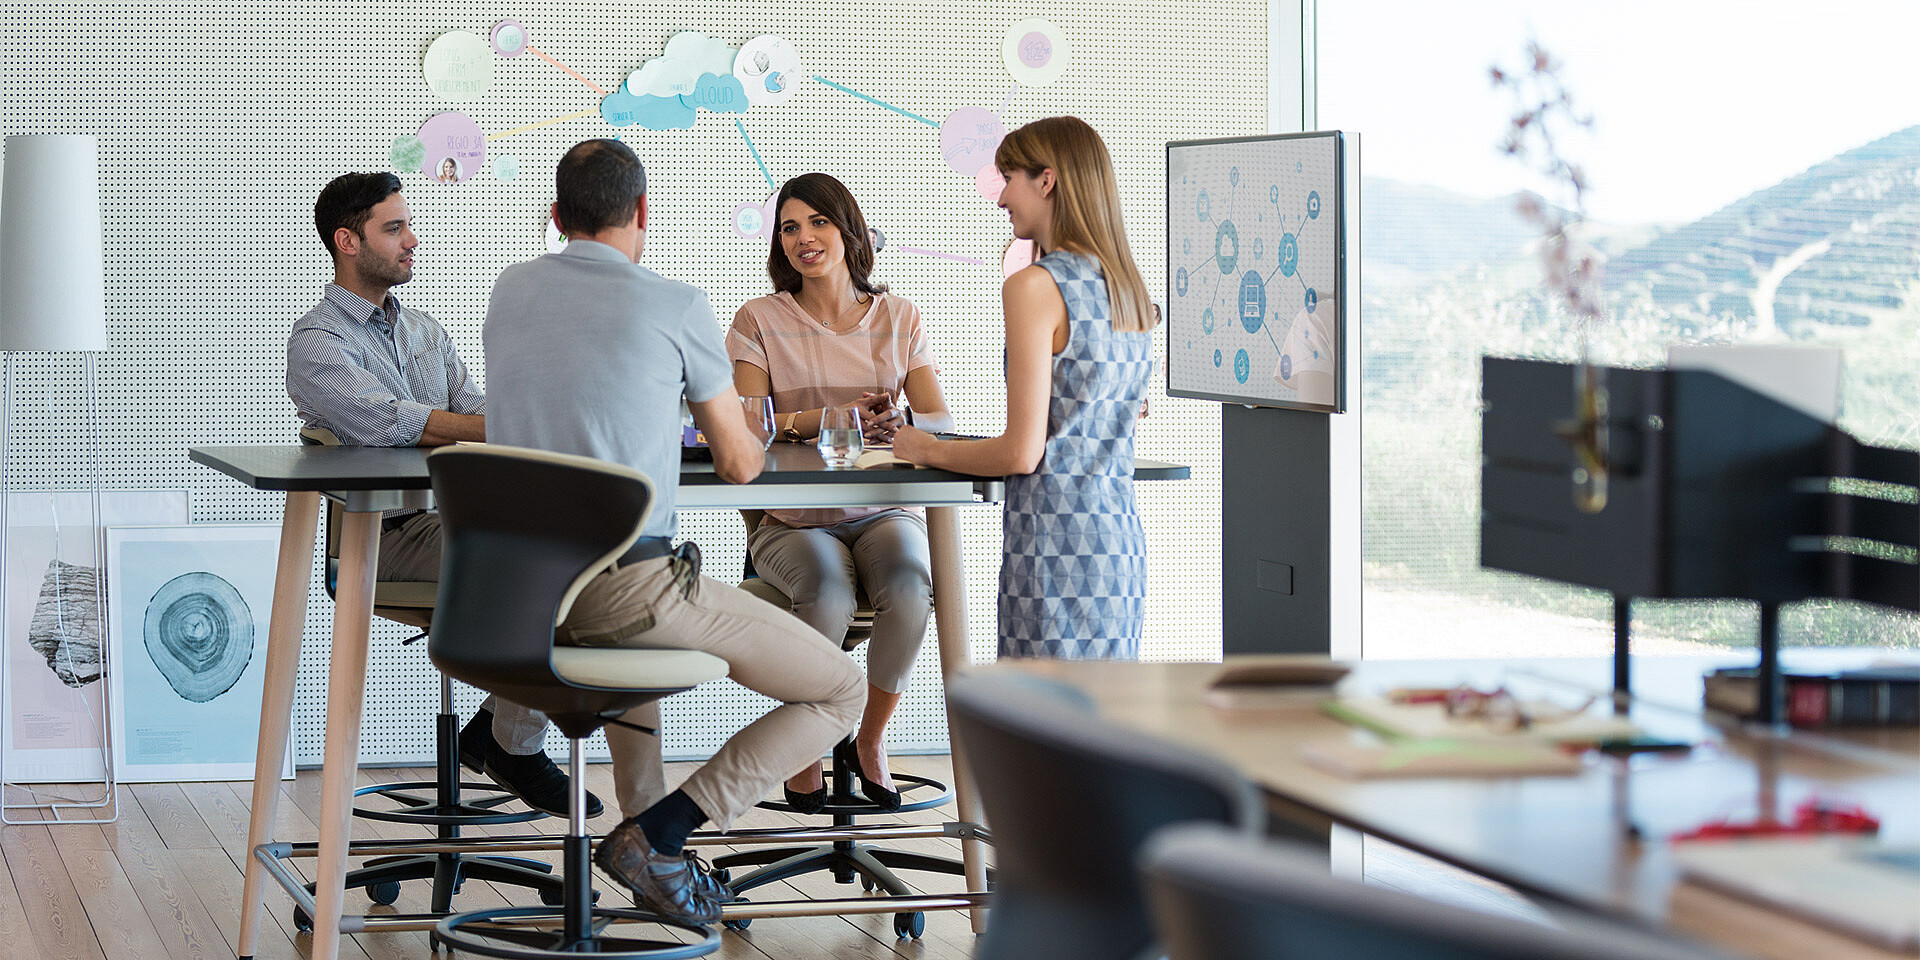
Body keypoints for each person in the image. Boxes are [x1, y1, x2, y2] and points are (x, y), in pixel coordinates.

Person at [483, 139, 865, 925]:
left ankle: (654, 861)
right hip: (623, 593)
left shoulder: (510, 288)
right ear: (643, 212)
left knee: (635, 639)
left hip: (515, 596)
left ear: (556, 215)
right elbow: (738, 461)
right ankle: (661, 834)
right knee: (841, 689)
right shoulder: (674, 304)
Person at [287, 171, 602, 819]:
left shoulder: (426, 331)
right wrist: (513, 425)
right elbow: (392, 421)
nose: (413, 239)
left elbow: (476, 407)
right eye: (395, 228)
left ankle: (498, 731)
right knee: (554, 562)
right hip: (385, 538)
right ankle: (510, 741)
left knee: (595, 552)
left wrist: (548, 411)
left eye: (408, 225)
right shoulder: (317, 343)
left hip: (463, 523)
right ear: (348, 241)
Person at [729, 172, 956, 812]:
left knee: (911, 588)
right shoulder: (759, 319)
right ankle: (806, 744)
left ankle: (869, 739)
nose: (804, 238)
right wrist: (826, 419)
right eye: (789, 227)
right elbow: (744, 424)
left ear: (848, 230)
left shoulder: (900, 317)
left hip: (884, 510)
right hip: (794, 521)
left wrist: (902, 420)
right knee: (827, 596)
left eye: (818, 222)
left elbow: (938, 420)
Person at [892, 117, 1157, 659]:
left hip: (1054, 545)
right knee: (1103, 710)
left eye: (1009, 178)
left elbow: (1021, 452)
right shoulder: (1127, 287)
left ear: (1047, 180)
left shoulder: (1034, 286)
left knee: (1036, 710)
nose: (1000, 198)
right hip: (1118, 547)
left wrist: (925, 448)